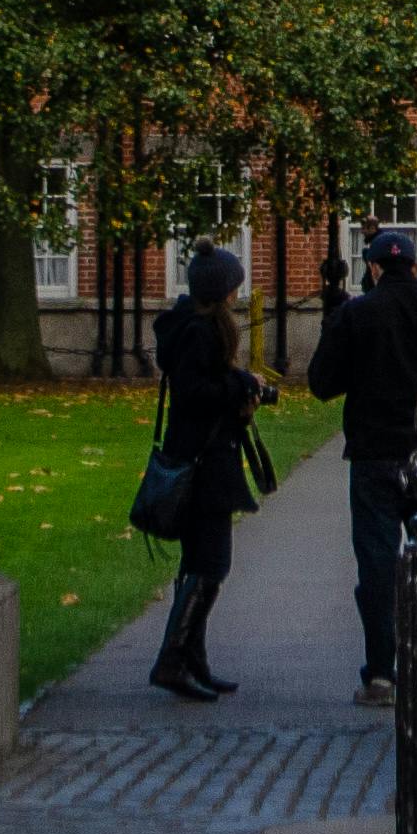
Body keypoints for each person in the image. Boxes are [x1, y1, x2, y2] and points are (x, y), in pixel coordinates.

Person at [304, 222, 417, 706]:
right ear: (416, 267)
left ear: (375, 269)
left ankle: (382, 672)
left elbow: (321, 383)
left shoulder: (357, 315)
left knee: (378, 566)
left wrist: (335, 324)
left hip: (374, 455)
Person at [147, 243, 266, 703]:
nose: (238, 294)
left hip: (201, 457)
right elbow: (197, 392)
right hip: (203, 464)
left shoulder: (189, 328)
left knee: (198, 563)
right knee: (211, 565)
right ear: (220, 291)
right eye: (234, 286)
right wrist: (241, 384)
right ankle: (172, 661)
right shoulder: (199, 333)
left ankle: (192, 659)